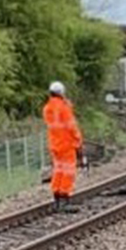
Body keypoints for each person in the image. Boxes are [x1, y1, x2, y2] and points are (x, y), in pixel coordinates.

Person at [42, 81, 84, 209]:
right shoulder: (64, 107)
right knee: (68, 171)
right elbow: (72, 127)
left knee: (58, 170)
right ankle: (64, 197)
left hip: (54, 145)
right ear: (62, 93)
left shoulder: (47, 108)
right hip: (67, 144)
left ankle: (56, 197)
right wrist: (78, 141)